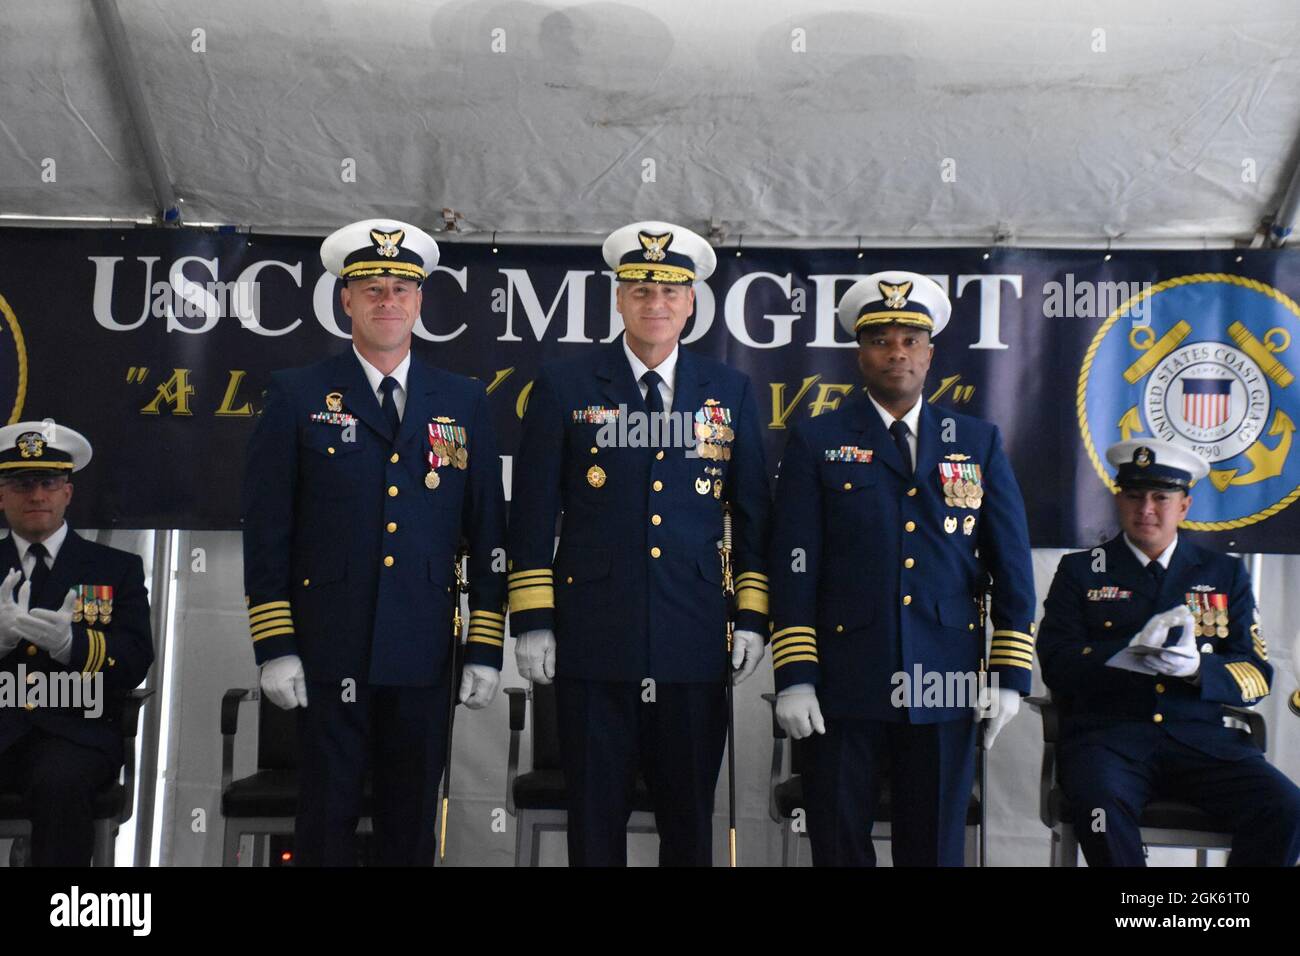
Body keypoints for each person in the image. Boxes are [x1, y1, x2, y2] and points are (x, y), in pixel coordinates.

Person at [241, 219, 507, 866]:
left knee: (412, 824)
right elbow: (268, 528)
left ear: (420, 301)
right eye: (372, 288)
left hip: (423, 653)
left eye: (401, 288)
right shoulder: (297, 394)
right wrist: (274, 645)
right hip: (328, 649)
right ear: (346, 300)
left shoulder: (465, 401)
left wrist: (486, 648)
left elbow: (489, 531)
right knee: (325, 821)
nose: (388, 300)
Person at [507, 221, 771, 865]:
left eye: (670, 291)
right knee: (594, 822)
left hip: (693, 636)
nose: (656, 302)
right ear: (618, 299)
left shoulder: (730, 391)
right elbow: (535, 510)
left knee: (688, 819)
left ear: (691, 303)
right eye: (640, 288)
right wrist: (534, 620)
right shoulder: (565, 386)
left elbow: (756, 513)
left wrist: (753, 617)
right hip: (594, 637)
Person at [767, 271, 1036, 866]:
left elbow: (1011, 563)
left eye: (911, 340)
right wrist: (796, 673)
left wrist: (1011, 675)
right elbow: (794, 566)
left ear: (931, 352)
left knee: (935, 847)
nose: (897, 352)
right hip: (843, 681)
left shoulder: (978, 441)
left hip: (946, 680)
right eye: (882, 340)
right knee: (838, 844)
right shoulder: (817, 439)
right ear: (860, 353)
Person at [1037, 438, 1300, 866]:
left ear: (1185, 505)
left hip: (1203, 742)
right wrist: (1126, 653)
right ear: (1118, 501)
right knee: (1101, 812)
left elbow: (1256, 674)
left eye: (1161, 497)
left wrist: (1200, 670)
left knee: (1287, 809)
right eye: (1135, 496)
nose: (1146, 509)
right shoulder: (1081, 571)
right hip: (1109, 742)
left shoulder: (1223, 573)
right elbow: (1057, 662)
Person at [0, 421, 153, 865]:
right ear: (2, 494)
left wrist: (74, 646)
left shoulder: (114, 568)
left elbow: (135, 659)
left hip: (76, 732)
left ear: (67, 492)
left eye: (48, 482)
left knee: (59, 783)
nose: (36, 496)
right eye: (22, 484)